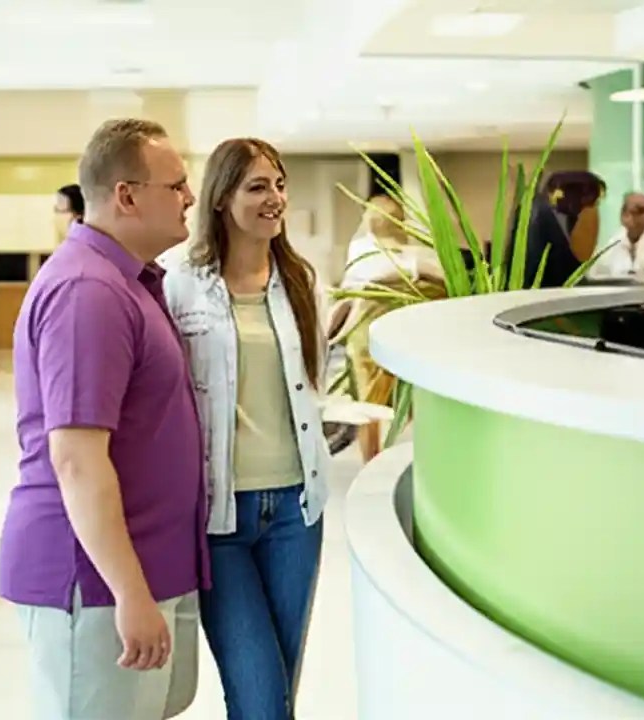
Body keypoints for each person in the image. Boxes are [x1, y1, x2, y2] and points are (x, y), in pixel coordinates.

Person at [0, 118, 207, 720]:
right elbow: (76, 457)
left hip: (143, 564)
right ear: (127, 195)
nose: (189, 198)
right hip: (92, 581)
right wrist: (129, 593)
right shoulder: (88, 290)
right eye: (177, 185)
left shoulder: (128, 281)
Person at [161, 138, 330, 720]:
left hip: (296, 512)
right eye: (258, 187)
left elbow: (314, 385)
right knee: (259, 694)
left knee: (278, 691)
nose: (275, 198)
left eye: (280, 184)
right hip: (219, 520)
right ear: (220, 198)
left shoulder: (301, 281)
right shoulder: (179, 283)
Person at [336, 195, 444, 463]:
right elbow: (446, 290)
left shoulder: (361, 257)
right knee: (414, 402)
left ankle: (370, 462)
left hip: (366, 343)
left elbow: (344, 302)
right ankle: (414, 459)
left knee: (367, 407)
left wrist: (327, 336)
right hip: (408, 343)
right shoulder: (421, 259)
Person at [588, 192, 644, 279]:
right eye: (634, 212)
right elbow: (598, 275)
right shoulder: (612, 244)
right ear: (623, 215)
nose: (639, 217)